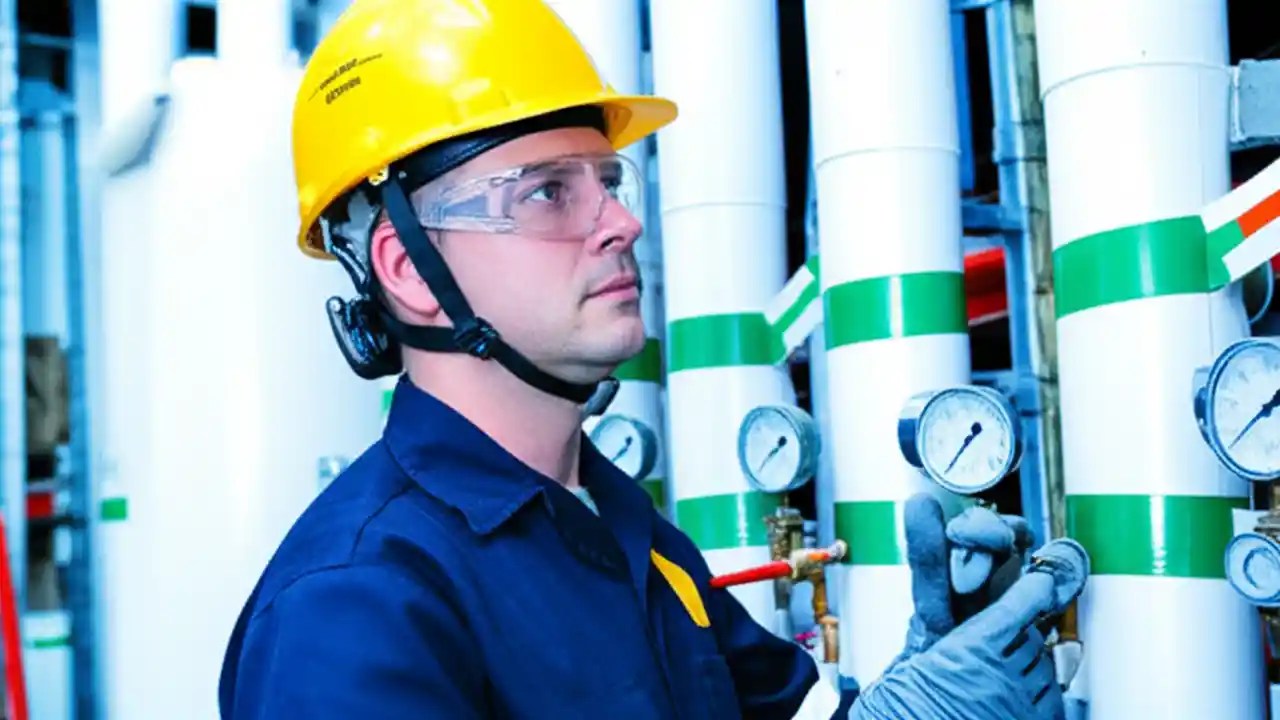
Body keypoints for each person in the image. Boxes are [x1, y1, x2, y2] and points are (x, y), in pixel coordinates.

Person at [217, 1, 1087, 718]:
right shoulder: (356, 608)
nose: (622, 222)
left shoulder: (623, 529)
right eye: (549, 191)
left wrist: (929, 682)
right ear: (410, 271)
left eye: (609, 181)